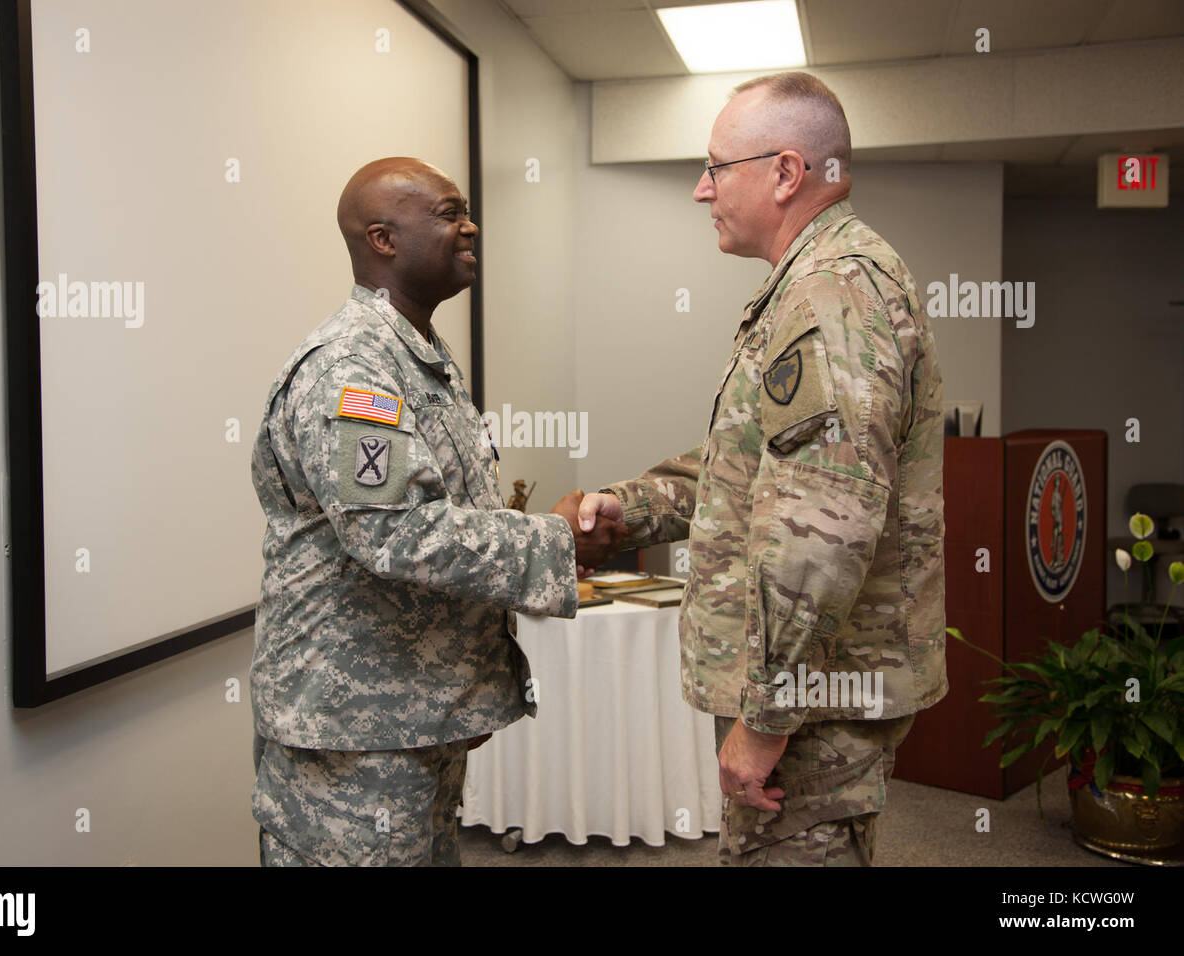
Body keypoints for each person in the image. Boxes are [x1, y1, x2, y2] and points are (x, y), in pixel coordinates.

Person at [577, 72, 946, 866]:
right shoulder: (813, 285)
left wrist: (768, 717)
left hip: (813, 705)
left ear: (784, 173)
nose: (700, 189)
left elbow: (826, 532)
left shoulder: (828, 296)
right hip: (813, 689)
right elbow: (745, 468)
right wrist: (627, 507)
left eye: (717, 167)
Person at [249, 157, 622, 866]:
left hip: (409, 711)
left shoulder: (418, 355)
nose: (470, 225)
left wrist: (465, 686)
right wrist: (557, 539)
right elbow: (397, 532)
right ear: (383, 240)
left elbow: (451, 513)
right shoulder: (350, 367)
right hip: (354, 731)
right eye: (450, 213)